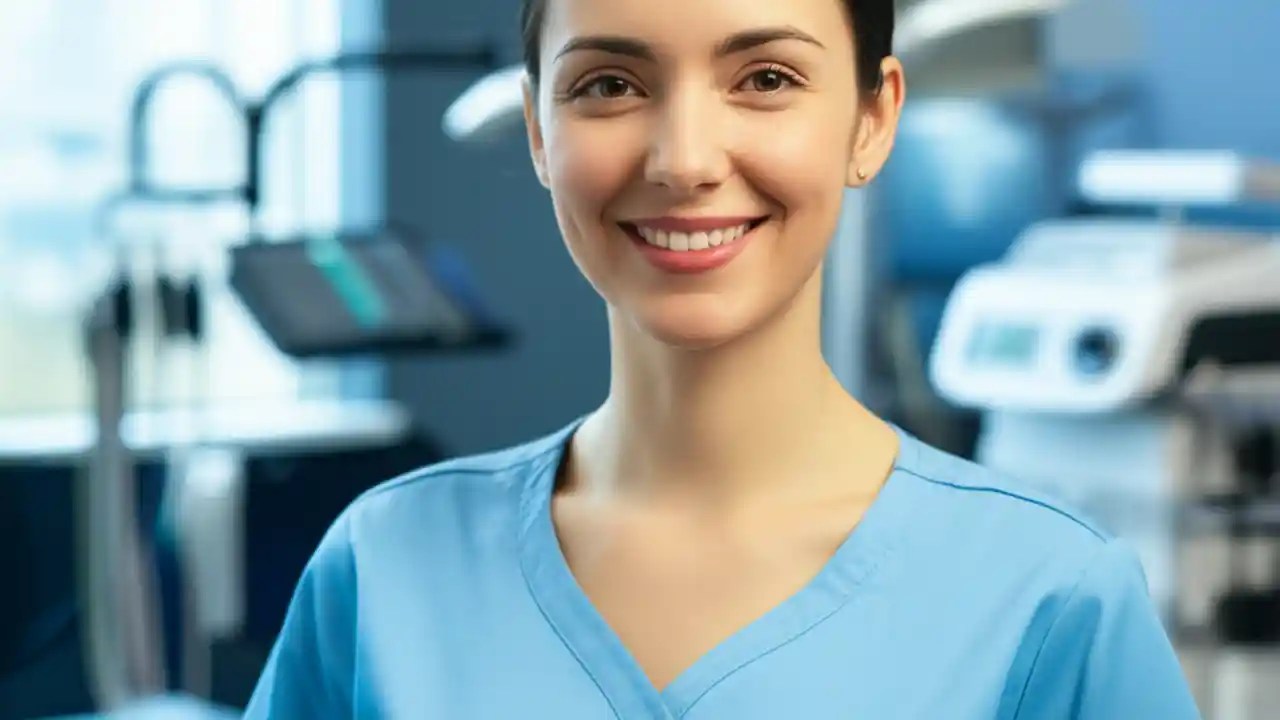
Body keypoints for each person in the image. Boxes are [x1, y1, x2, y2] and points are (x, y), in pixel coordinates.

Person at [245, 0, 1203, 717]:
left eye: (767, 80)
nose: (685, 160)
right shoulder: (384, 572)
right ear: (540, 128)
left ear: (872, 120)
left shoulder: (1049, 599)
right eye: (610, 85)